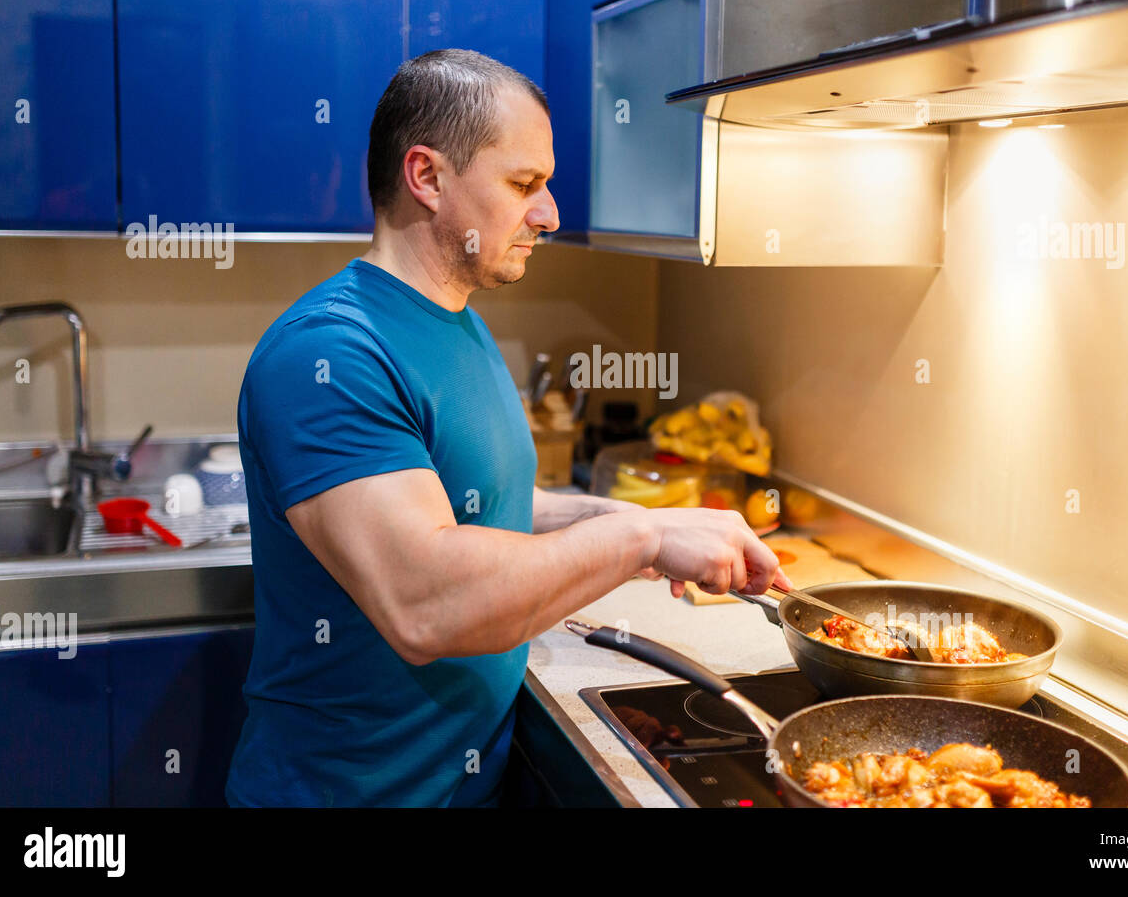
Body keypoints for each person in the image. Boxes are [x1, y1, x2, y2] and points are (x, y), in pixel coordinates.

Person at [225, 49, 784, 807]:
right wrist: (640, 542)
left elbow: (484, 503)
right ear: (426, 177)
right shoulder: (329, 353)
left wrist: (632, 515)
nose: (549, 212)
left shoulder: (459, 323)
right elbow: (424, 603)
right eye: (525, 184)